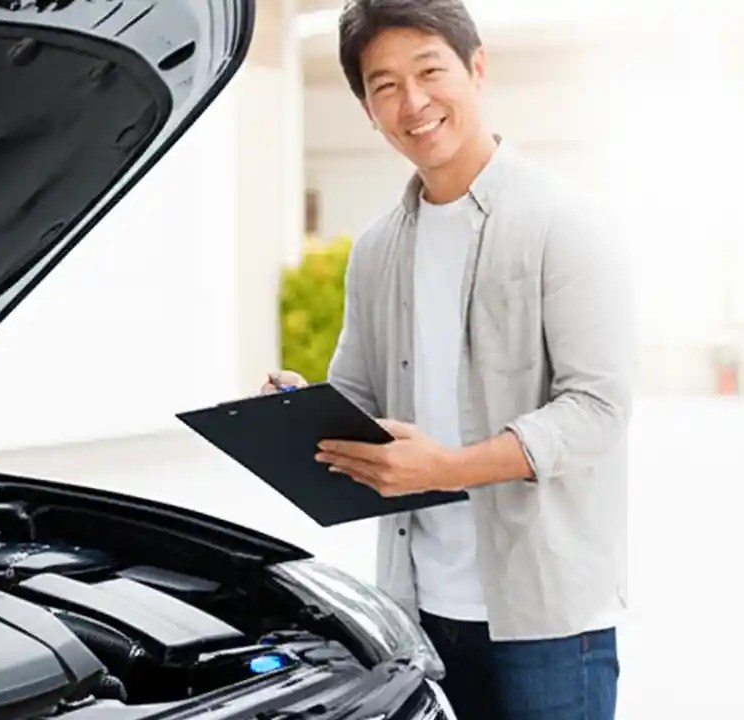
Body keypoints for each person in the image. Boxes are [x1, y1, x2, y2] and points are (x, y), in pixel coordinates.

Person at [261, 1, 635, 717]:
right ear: (368, 110)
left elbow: (598, 411)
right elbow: (359, 396)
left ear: (478, 68)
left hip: (548, 620)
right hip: (418, 608)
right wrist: (298, 409)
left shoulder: (565, 221)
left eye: (429, 71)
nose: (414, 102)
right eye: (385, 86)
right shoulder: (376, 249)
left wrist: (449, 469)